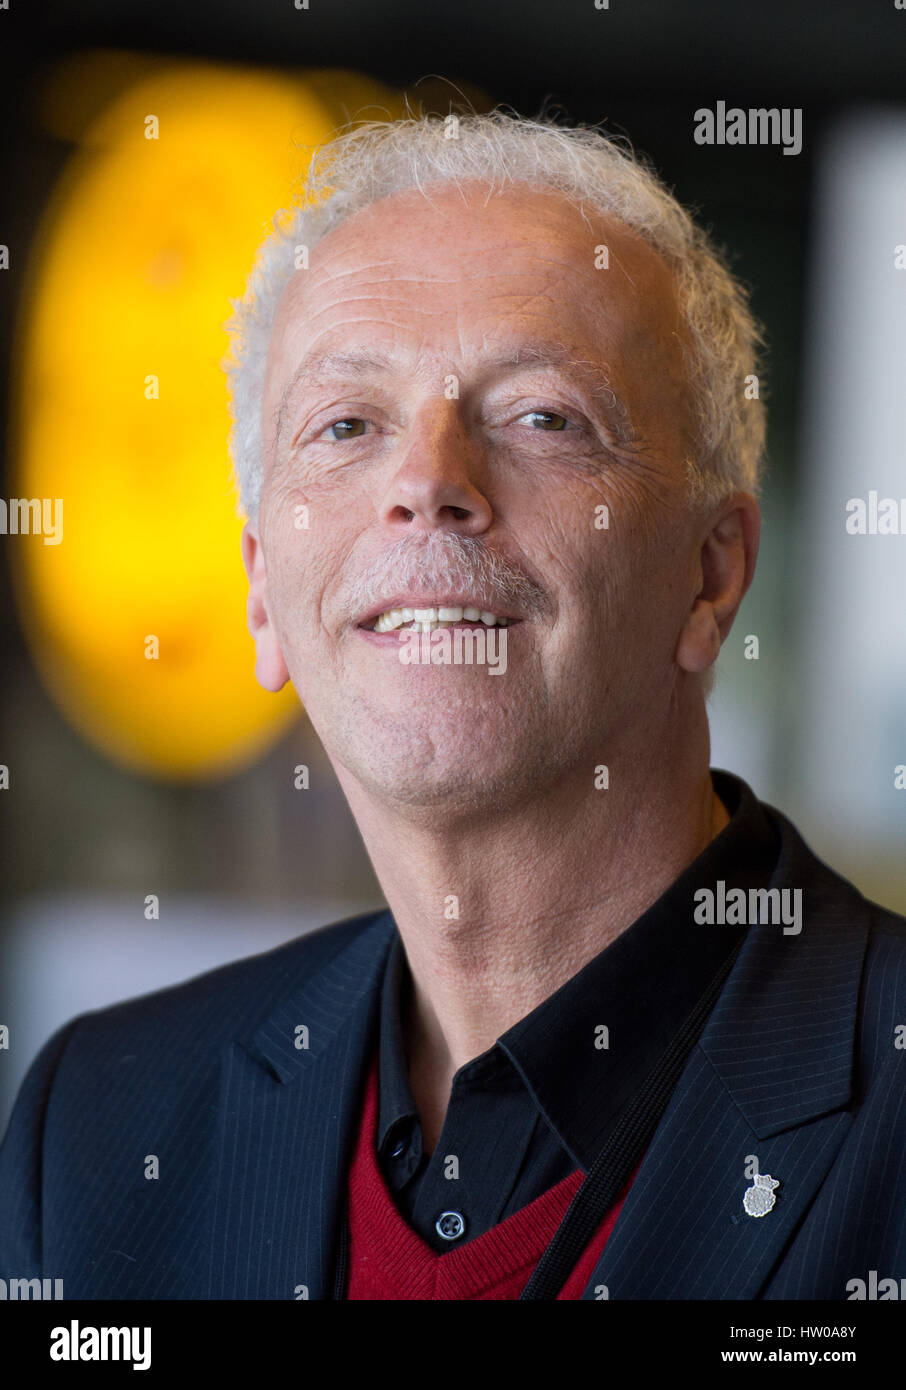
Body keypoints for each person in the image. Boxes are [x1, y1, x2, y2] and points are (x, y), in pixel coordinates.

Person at [2, 111, 904, 1301]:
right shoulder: (101, 1129)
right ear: (262, 588)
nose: (428, 483)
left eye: (541, 417)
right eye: (346, 425)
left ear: (711, 572)